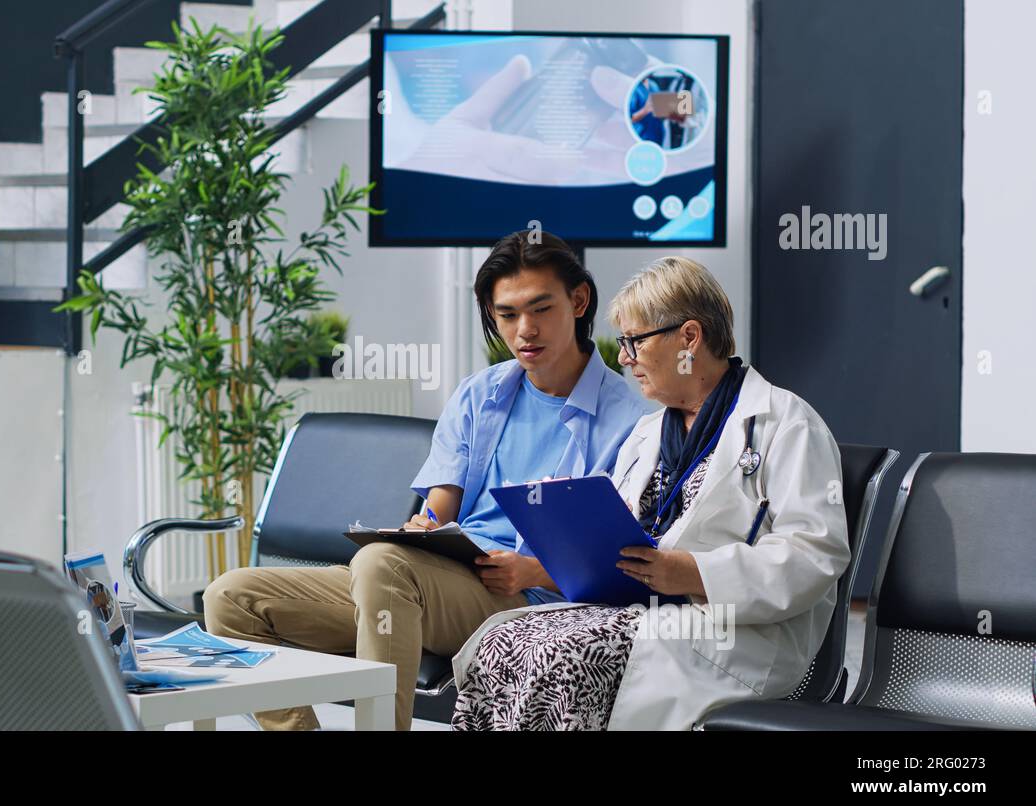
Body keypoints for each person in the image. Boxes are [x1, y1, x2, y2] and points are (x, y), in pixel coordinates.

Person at [204, 230, 649, 730]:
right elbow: (441, 508)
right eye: (506, 315)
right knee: (231, 598)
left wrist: (533, 571)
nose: (525, 330)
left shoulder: (630, 420)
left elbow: (624, 564)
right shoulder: (480, 394)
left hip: (525, 601)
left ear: (579, 300)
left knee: (381, 566)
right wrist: (426, 528)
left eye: (540, 309)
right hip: (421, 585)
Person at [451, 256, 850, 731]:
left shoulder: (785, 422)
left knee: (563, 654)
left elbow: (816, 554)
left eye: (634, 341)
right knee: (509, 639)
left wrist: (693, 573)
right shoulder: (647, 434)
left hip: (732, 631)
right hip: (639, 612)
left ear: (689, 338)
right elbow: (621, 538)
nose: (623, 357)